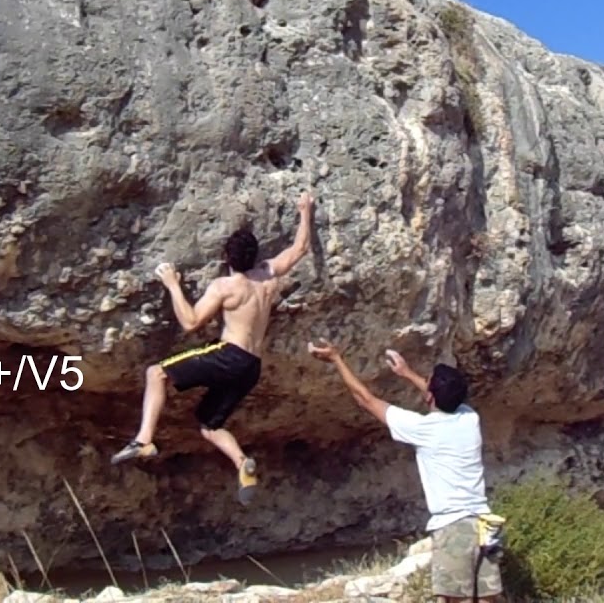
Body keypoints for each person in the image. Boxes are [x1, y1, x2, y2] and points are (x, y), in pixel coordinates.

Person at [110, 192, 315, 507]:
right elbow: (299, 248)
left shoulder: (225, 287)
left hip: (229, 355)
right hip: (251, 367)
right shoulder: (268, 275)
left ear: (226, 258)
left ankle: (144, 440)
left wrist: (173, 285)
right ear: (255, 256)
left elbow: (191, 322)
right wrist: (305, 211)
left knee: (156, 373)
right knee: (210, 424)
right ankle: (242, 463)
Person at [306, 340, 503, 603]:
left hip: (453, 527)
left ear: (430, 396)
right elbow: (442, 397)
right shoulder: (469, 419)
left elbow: (365, 399)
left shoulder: (424, 429)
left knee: (455, 599)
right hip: (484, 524)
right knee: (488, 598)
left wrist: (336, 359)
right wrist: (407, 373)